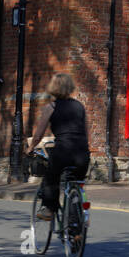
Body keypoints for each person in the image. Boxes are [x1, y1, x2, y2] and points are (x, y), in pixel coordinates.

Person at [26, 72, 90, 221]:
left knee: (51, 177)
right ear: (70, 87)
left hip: (63, 152)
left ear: (53, 87)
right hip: (82, 154)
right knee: (76, 183)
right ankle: (78, 225)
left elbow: (38, 135)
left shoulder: (51, 107)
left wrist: (30, 148)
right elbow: (86, 134)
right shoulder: (80, 106)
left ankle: (49, 209)